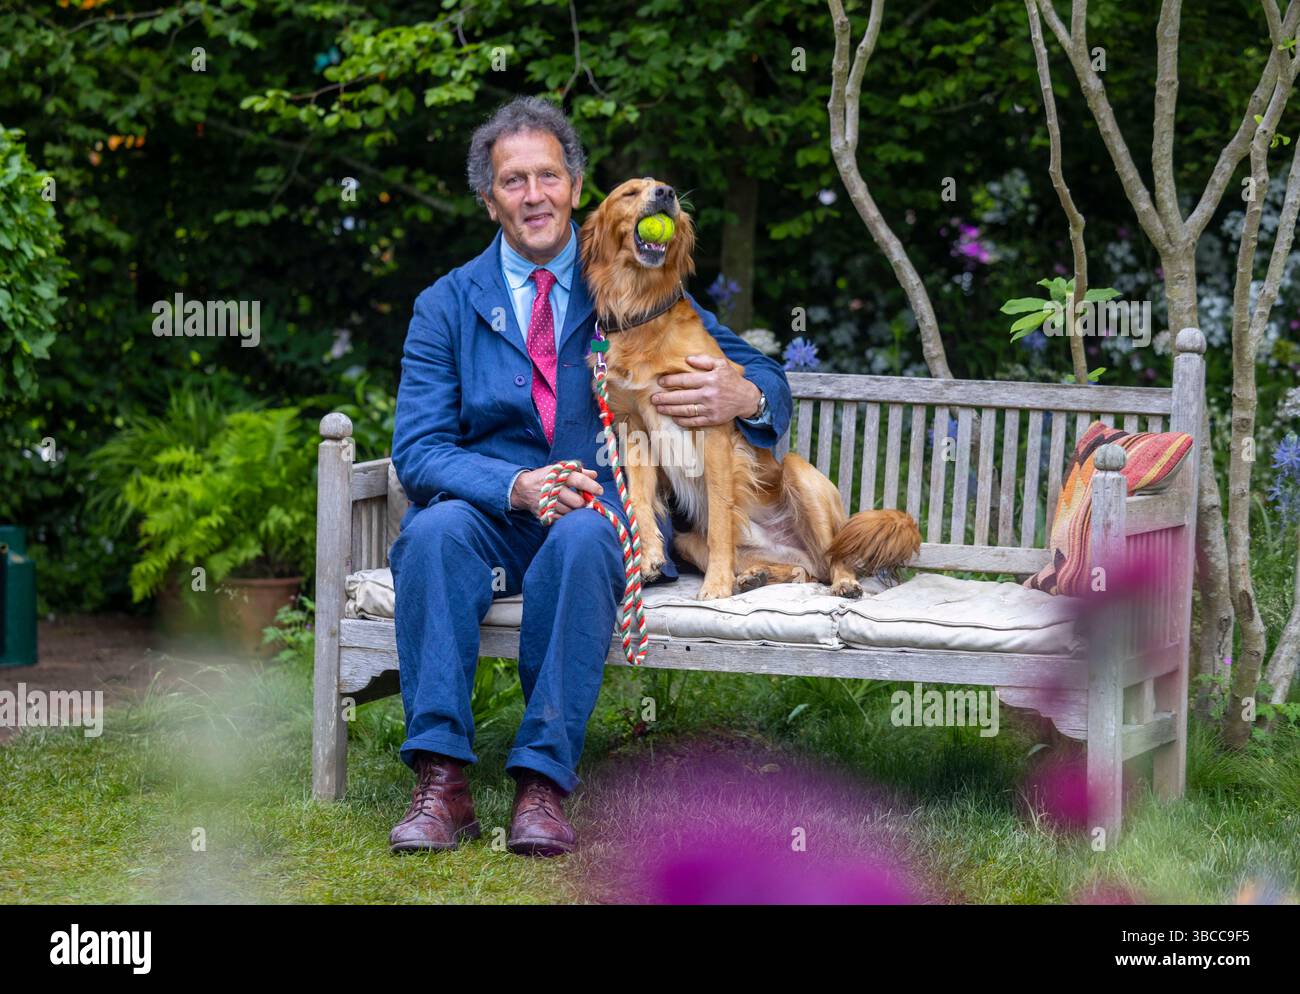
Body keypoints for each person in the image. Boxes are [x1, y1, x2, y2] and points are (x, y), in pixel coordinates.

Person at [387, 95, 793, 856]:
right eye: (513, 181)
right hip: (490, 515)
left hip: (596, 514)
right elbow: (419, 450)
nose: (534, 195)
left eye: (548, 176)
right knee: (432, 534)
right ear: (489, 201)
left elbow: (756, 368)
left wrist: (747, 397)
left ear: (575, 188)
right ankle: (442, 783)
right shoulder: (445, 305)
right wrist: (514, 486)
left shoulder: (625, 274)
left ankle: (541, 784)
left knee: (581, 541)